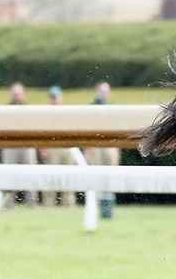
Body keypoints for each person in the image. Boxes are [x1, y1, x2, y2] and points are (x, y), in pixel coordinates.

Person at [83, 81, 120, 218]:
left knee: (111, 177)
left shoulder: (113, 107)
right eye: (100, 91)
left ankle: (109, 208)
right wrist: (86, 148)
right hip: (95, 146)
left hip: (110, 146)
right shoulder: (90, 107)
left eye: (104, 92)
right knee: (96, 176)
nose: (102, 94)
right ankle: (96, 206)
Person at [0, 82, 39, 209]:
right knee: (8, 175)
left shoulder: (29, 108)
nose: (16, 96)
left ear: (22, 95)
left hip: (27, 145)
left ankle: (32, 204)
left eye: (18, 94)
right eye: (14, 94)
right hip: (10, 146)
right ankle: (9, 204)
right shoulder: (5, 109)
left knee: (31, 174)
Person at [39, 86, 77, 207]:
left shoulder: (69, 113)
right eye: (52, 97)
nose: (54, 100)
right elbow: (41, 133)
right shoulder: (44, 114)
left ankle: (69, 204)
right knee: (50, 177)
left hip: (67, 148)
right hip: (52, 147)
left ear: (60, 98)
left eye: (56, 97)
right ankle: (49, 204)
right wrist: (43, 149)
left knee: (68, 178)